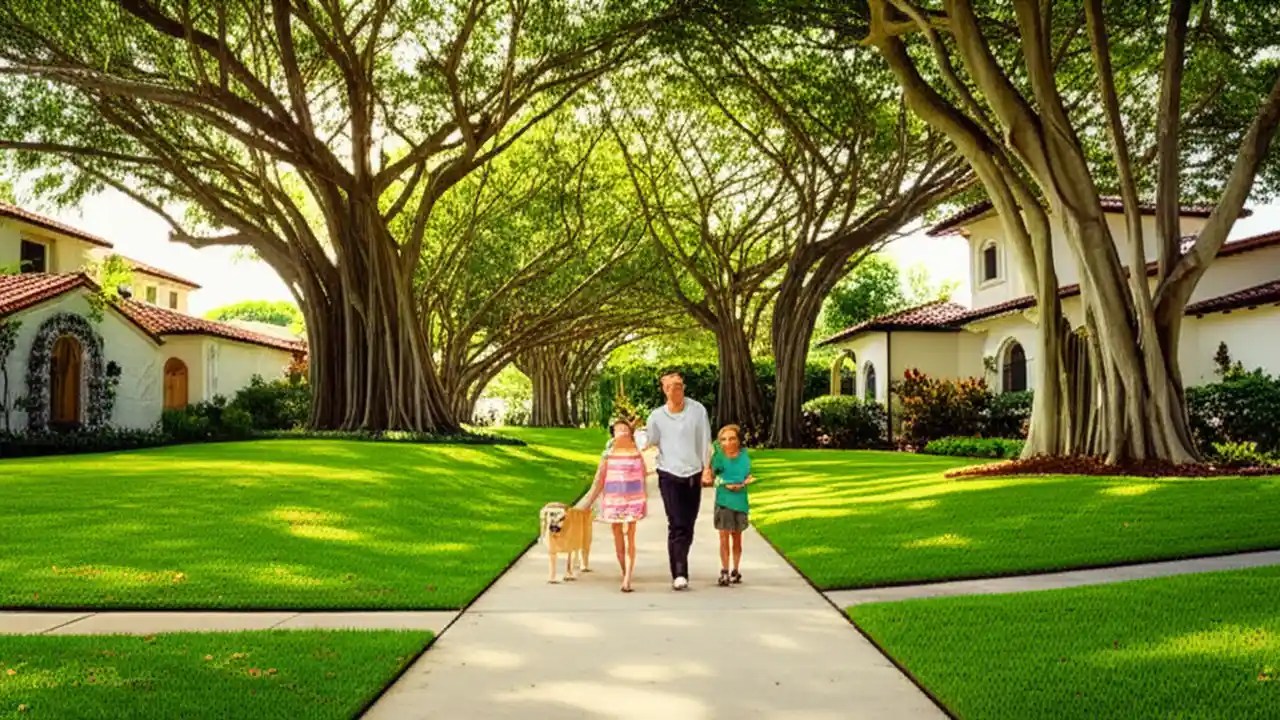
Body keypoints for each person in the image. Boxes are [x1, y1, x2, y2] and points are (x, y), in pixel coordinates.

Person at [645, 371, 712, 591]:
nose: (676, 390)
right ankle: (680, 572)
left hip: (692, 472)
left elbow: (704, 440)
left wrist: (706, 469)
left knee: (688, 525)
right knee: (676, 524)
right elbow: (651, 440)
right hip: (668, 473)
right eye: (671, 386)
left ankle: (681, 560)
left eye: (680, 385)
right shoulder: (656, 416)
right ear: (664, 389)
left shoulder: (697, 411)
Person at [580, 419, 648, 592]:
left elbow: (643, 477)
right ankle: (624, 569)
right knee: (617, 535)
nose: (622, 432)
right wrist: (586, 503)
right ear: (613, 435)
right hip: (613, 501)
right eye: (618, 430)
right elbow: (599, 481)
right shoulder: (608, 455)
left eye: (625, 429)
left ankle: (627, 578)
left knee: (630, 536)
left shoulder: (636, 454)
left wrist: (643, 499)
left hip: (632, 501)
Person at [710, 424, 755, 586]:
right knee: (723, 536)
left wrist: (745, 482)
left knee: (737, 537)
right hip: (724, 500)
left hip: (740, 501)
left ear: (738, 440)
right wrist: (725, 483)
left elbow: (750, 475)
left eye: (731, 439)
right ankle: (724, 570)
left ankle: (736, 569)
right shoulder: (719, 458)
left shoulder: (745, 457)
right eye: (723, 439)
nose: (727, 443)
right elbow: (712, 477)